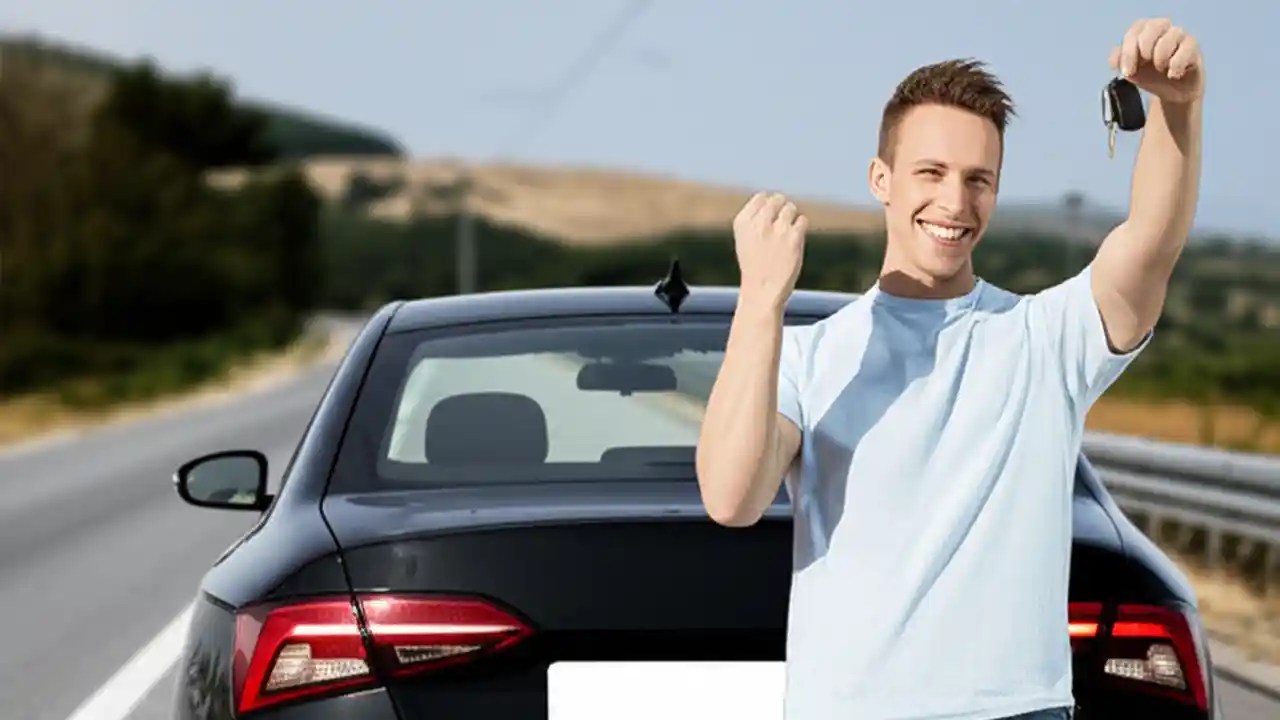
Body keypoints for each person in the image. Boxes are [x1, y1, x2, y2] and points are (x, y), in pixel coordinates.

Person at [695, 17, 1204, 720]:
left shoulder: (1044, 339)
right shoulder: (810, 356)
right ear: (881, 179)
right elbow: (730, 496)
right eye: (931, 173)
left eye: (978, 180)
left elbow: (1151, 242)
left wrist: (1178, 108)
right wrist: (760, 301)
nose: (956, 204)